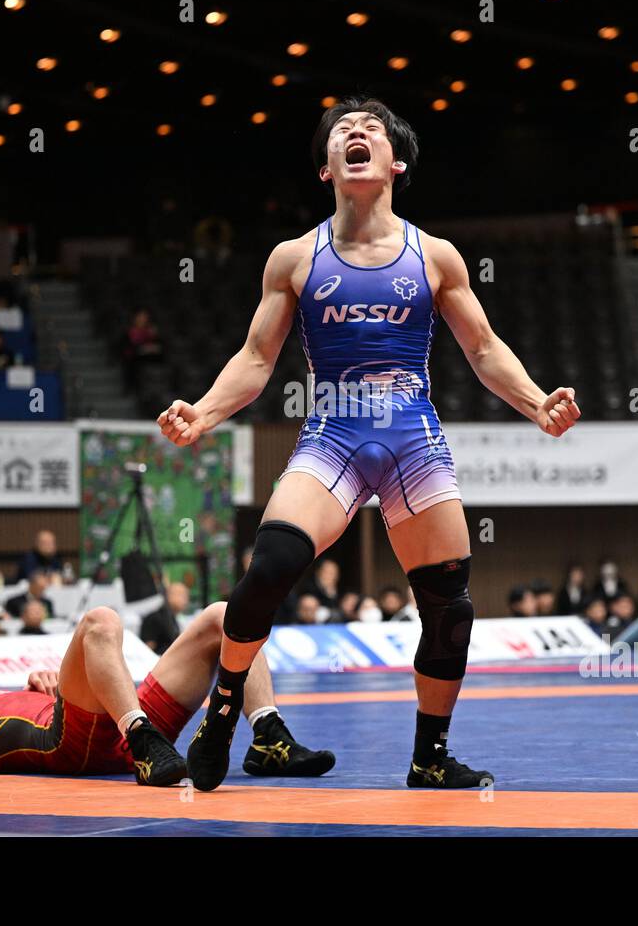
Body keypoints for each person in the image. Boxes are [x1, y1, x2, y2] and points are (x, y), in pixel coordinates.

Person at [158, 97, 580, 790]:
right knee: (271, 565)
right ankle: (226, 708)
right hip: (334, 431)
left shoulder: (434, 255)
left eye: (371, 131)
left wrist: (538, 404)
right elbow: (257, 360)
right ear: (326, 169)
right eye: (340, 133)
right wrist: (203, 413)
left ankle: (429, 757)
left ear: (396, 163)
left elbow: (483, 347)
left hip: (412, 434)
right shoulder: (295, 258)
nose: (355, 134)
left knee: (451, 609)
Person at [0, 603, 335, 786]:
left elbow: (6, 714)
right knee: (99, 622)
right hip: (74, 743)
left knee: (227, 616)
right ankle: (145, 744)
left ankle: (269, 736)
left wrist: (43, 688)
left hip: (93, 721)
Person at [141, 581, 189, 654]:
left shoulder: (175, 619)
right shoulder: (154, 619)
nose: (185, 600)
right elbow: (147, 650)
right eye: (180, 594)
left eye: (186, 596)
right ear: (168, 595)